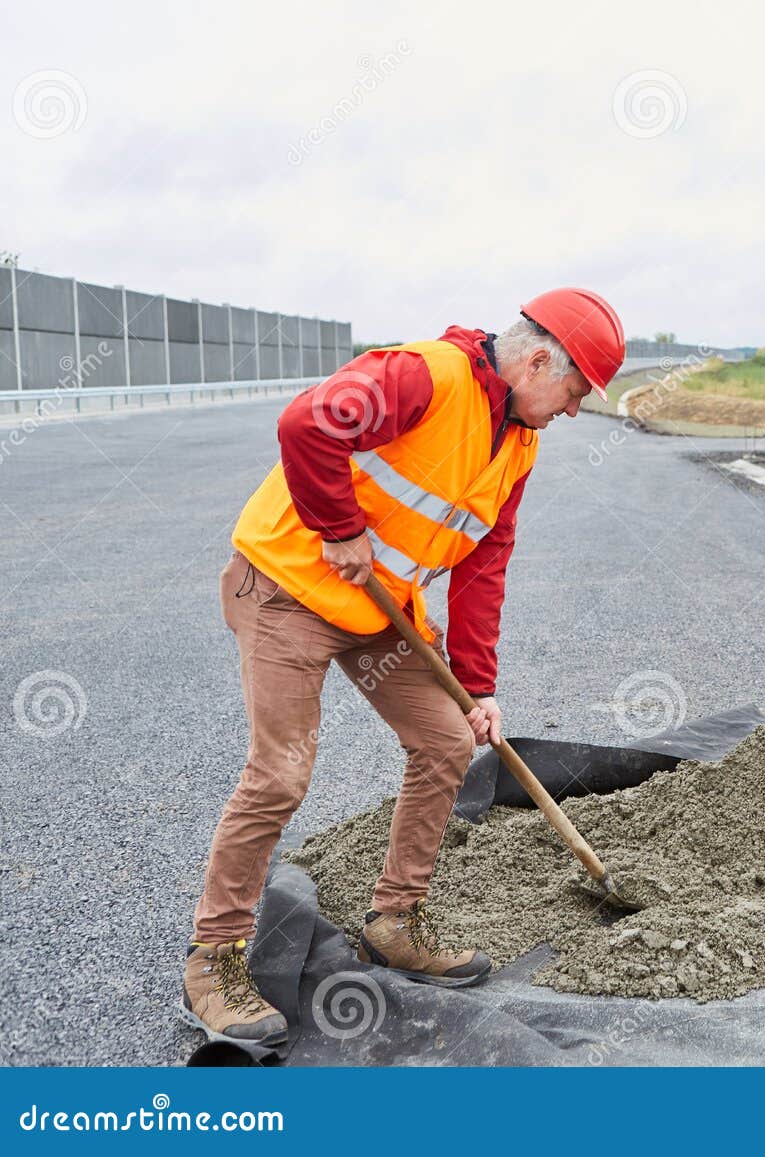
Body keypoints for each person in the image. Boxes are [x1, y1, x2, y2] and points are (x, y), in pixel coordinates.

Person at [183, 289, 625, 1047]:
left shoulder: (518, 442)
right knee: (281, 772)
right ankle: (214, 956)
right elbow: (306, 423)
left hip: (377, 610)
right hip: (288, 587)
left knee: (451, 740)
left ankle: (393, 919)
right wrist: (339, 525)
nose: (576, 408)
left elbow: (486, 561)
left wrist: (478, 684)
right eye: (577, 390)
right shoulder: (427, 376)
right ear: (540, 359)